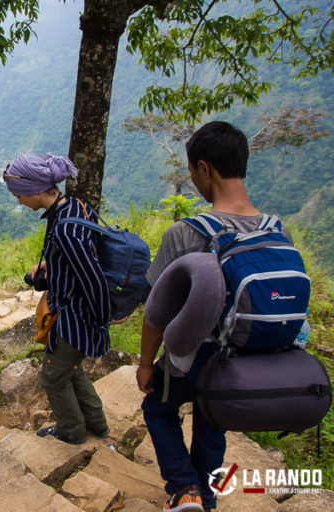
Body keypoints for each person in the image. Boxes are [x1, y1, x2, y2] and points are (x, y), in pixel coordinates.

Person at [136, 121, 294, 512]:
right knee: (212, 421)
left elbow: (157, 310)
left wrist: (144, 364)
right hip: (248, 360)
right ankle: (205, 498)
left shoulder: (187, 233)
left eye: (192, 172)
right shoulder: (277, 231)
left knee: (158, 407)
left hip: (194, 357)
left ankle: (183, 488)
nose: (193, 179)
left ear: (204, 168)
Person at [3, 153, 112, 445]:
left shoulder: (64, 228)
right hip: (73, 311)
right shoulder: (71, 208)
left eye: (18, 194)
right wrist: (49, 267)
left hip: (75, 317)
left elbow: (92, 278)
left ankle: (72, 430)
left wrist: (103, 321)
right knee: (69, 369)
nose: (18, 201)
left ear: (33, 189)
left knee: (52, 376)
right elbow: (80, 259)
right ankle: (97, 424)